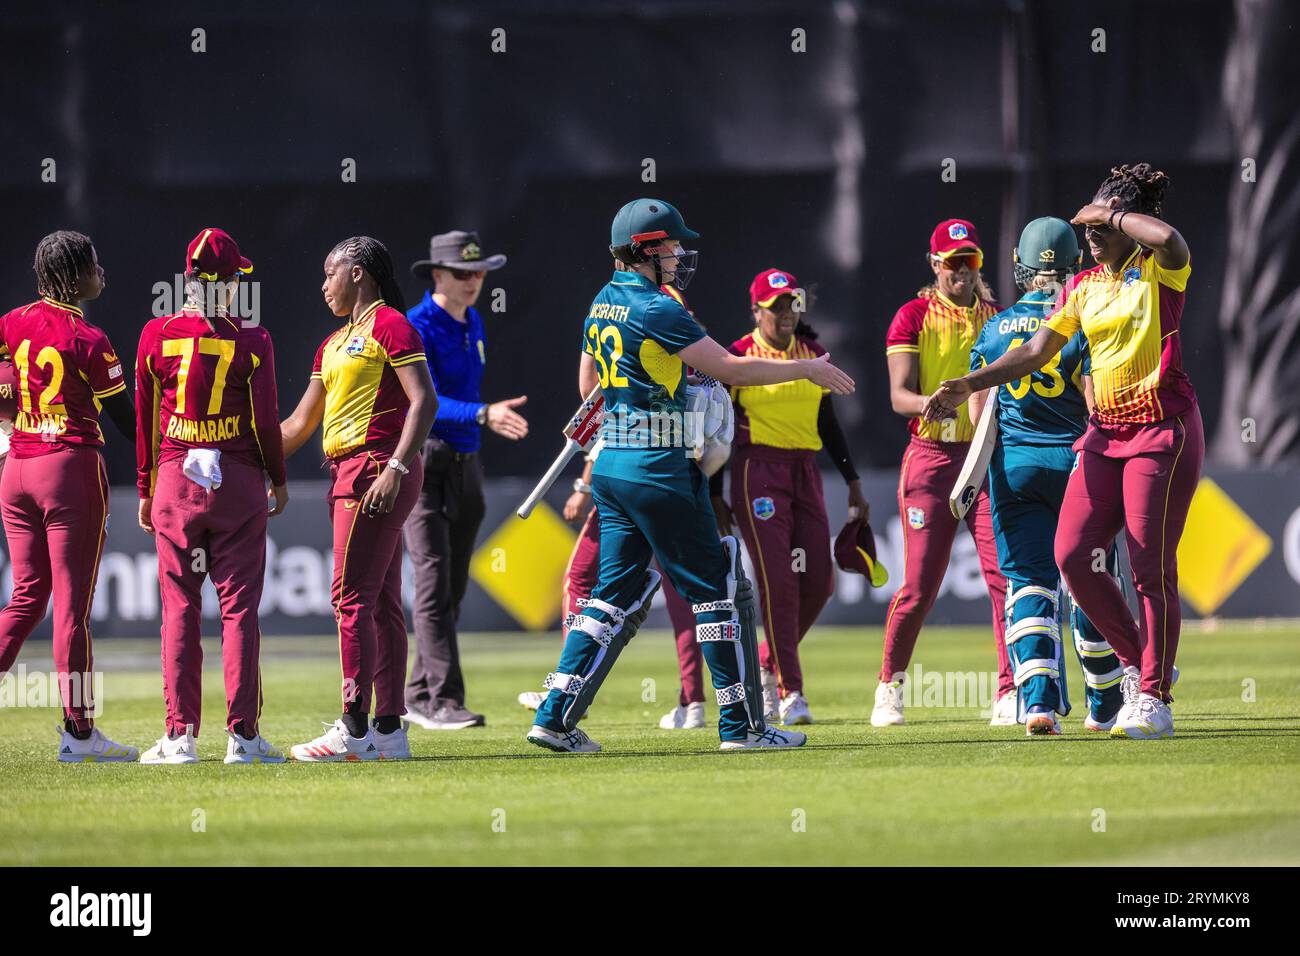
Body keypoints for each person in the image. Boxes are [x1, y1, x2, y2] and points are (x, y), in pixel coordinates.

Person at [526, 197, 853, 753]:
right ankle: (742, 727)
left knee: (611, 597)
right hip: (660, 467)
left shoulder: (602, 302)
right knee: (718, 587)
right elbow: (729, 367)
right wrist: (807, 367)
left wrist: (657, 388)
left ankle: (554, 717)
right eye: (672, 245)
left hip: (613, 466)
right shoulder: (660, 308)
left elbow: (590, 390)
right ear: (646, 249)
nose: (680, 254)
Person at [926, 164, 1201, 740]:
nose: (1092, 234)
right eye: (1090, 227)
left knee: (1150, 567)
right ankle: (1138, 663)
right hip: (1103, 436)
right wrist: (968, 386)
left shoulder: (1159, 272)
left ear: (1130, 223)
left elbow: (1174, 239)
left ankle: (1153, 695)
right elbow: (1034, 353)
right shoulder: (1082, 285)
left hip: (1161, 431)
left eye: (1104, 225)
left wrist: (1112, 212)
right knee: (1074, 557)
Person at [965, 216, 1127, 736]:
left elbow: (975, 417)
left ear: (1022, 267)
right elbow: (1096, 398)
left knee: (1028, 584)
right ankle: (1103, 704)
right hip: (1077, 465)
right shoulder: (1082, 317)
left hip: (1014, 468)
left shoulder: (994, 328)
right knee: (1090, 580)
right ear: (1076, 266)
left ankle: (1036, 702)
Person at [134, 227, 289, 764]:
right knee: (239, 610)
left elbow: (145, 421)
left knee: (178, 608)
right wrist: (279, 477)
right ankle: (243, 739)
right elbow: (266, 420)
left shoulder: (156, 334)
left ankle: (179, 738)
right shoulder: (254, 338)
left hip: (176, 480)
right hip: (238, 481)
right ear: (231, 283)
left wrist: (145, 485)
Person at [280, 237, 438, 761]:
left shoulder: (389, 324)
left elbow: (425, 401)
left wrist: (394, 467)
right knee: (381, 605)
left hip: (374, 469)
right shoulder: (333, 343)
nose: (323, 284)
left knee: (350, 602)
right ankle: (389, 731)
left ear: (360, 272)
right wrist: (232, 444)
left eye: (331, 272)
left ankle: (353, 727)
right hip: (350, 471)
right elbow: (299, 425)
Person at [0, 231, 138, 762]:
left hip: (16, 470)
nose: (101, 271)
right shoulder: (90, 339)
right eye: (93, 264)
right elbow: (127, 422)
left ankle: (79, 732)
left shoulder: (12, 322)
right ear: (74, 275)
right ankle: (80, 735)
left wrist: (9, 412)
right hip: (68, 470)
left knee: (27, 596)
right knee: (71, 610)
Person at [874, 219, 1015, 728]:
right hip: (931, 458)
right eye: (952, 261)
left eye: (970, 260)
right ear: (935, 264)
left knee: (1003, 577)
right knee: (919, 587)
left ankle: (1009, 690)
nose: (961, 270)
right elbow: (898, 396)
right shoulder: (914, 315)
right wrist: (932, 403)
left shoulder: (999, 317)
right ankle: (889, 686)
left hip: (982, 456)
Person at [710, 268, 865, 726]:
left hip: (805, 472)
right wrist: (715, 494)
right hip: (757, 470)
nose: (785, 315)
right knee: (778, 582)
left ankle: (764, 661)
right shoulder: (737, 357)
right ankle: (790, 692)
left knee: (819, 582)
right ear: (756, 310)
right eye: (775, 307)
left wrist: (854, 482)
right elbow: (717, 432)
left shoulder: (814, 354)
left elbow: (828, 425)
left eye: (792, 305)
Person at [403, 231, 526, 730]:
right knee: (432, 586)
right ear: (437, 275)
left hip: (465, 466)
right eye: (463, 273)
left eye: (479, 273)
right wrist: (483, 413)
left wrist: (479, 419)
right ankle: (444, 702)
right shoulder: (415, 327)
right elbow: (425, 403)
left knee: (450, 591)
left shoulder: (473, 320)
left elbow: (462, 397)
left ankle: (415, 693)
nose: (474, 281)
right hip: (424, 464)